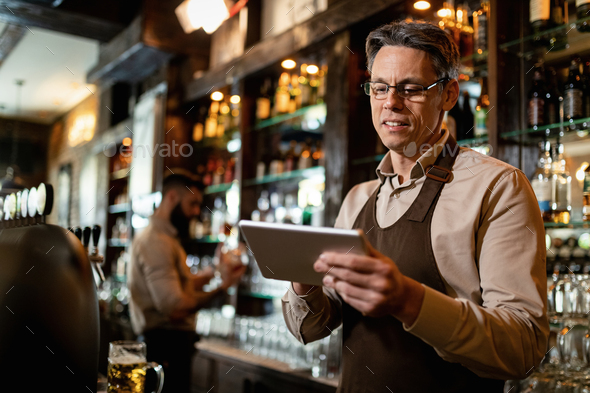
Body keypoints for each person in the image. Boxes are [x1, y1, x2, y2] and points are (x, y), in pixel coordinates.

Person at [282, 20, 548, 392]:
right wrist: (302, 284)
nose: (391, 102)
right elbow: (312, 329)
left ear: (449, 94)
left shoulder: (497, 187)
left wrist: (409, 300)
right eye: (379, 88)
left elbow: (524, 348)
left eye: (410, 89)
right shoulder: (358, 198)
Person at [129, 172, 245, 393]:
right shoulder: (156, 241)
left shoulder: (167, 238)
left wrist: (214, 271)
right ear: (172, 197)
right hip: (163, 348)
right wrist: (222, 287)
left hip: (170, 346)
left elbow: (180, 284)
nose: (196, 212)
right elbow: (175, 307)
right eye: (192, 204)